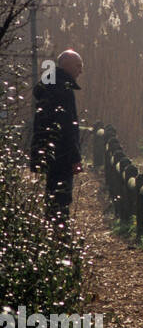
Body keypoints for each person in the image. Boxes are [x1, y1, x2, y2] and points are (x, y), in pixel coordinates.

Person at [30, 49, 83, 223]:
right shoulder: (63, 89)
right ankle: (60, 235)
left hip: (48, 150)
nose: (80, 70)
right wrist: (75, 157)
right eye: (78, 66)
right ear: (67, 65)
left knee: (51, 192)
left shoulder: (49, 88)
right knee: (61, 195)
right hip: (62, 153)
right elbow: (67, 126)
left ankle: (52, 234)